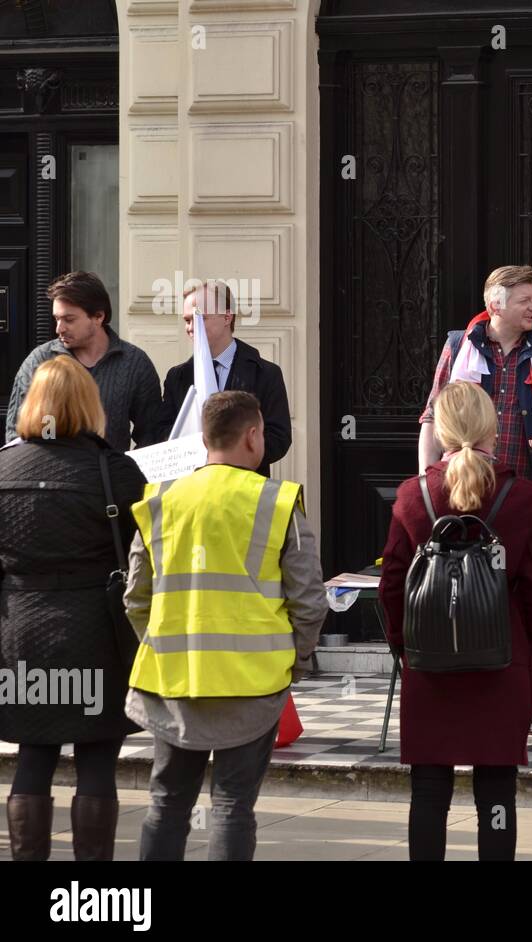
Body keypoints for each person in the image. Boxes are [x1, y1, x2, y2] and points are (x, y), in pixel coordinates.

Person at [124, 391, 327, 861]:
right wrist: (291, 661)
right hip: (252, 684)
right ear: (253, 436)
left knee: (167, 804)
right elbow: (309, 601)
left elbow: (136, 595)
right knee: (234, 806)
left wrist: (159, 645)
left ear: (204, 439)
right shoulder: (277, 502)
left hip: (173, 683)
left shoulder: (160, 500)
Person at [379, 381, 532, 861]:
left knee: (429, 791)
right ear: (493, 427)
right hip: (503, 661)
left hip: (430, 663)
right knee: (497, 793)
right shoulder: (520, 496)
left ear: (439, 433)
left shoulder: (412, 496)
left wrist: (405, 650)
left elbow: (391, 584)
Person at [1, 357, 146, 860]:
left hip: (21, 629)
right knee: (98, 757)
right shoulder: (116, 472)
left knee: (33, 755)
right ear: (90, 405)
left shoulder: (3, 467)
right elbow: (145, 555)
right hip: (96, 629)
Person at [417, 266, 532, 510]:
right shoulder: (459, 345)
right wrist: (425, 482)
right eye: (524, 300)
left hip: (527, 490)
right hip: (464, 486)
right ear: (495, 306)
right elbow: (432, 416)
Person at [5, 271, 163, 451]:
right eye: (56, 318)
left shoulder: (134, 364)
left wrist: (127, 473)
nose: (59, 328)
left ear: (98, 317)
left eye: (69, 320)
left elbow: (152, 436)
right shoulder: (39, 361)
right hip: (49, 476)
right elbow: (15, 434)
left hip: (109, 477)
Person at [159, 281, 292, 477]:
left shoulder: (266, 373)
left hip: (245, 490)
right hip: (194, 489)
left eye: (200, 318)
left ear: (227, 317)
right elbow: (164, 433)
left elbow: (279, 438)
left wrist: (228, 457)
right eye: (187, 320)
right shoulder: (177, 377)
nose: (191, 327)